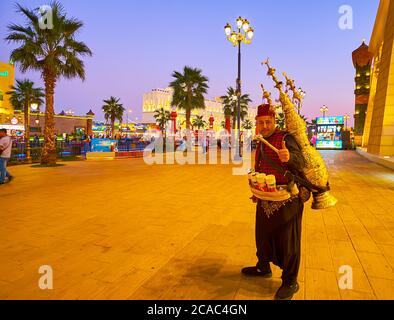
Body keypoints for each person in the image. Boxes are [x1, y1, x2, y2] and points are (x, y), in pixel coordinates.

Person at [242, 104, 306, 300]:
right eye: (261, 123)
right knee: (262, 236)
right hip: (266, 196)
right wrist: (257, 189)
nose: (265, 125)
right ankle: (263, 267)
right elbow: (260, 165)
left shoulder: (286, 138)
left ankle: (290, 281)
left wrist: (290, 157)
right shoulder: (261, 141)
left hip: (287, 198)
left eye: (268, 122)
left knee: (288, 242)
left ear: (274, 121)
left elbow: (301, 162)